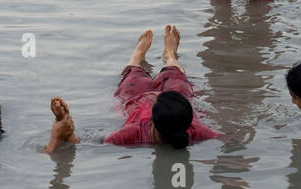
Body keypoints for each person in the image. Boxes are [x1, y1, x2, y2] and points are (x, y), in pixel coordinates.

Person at [43, 25, 220, 151]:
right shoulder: (196, 131)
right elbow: (226, 138)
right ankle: (169, 56)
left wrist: (63, 133)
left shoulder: (135, 133)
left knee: (133, 74)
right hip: (175, 100)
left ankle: (139, 56)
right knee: (176, 76)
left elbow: (86, 145)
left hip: (136, 100)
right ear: (189, 122)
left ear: (152, 122)